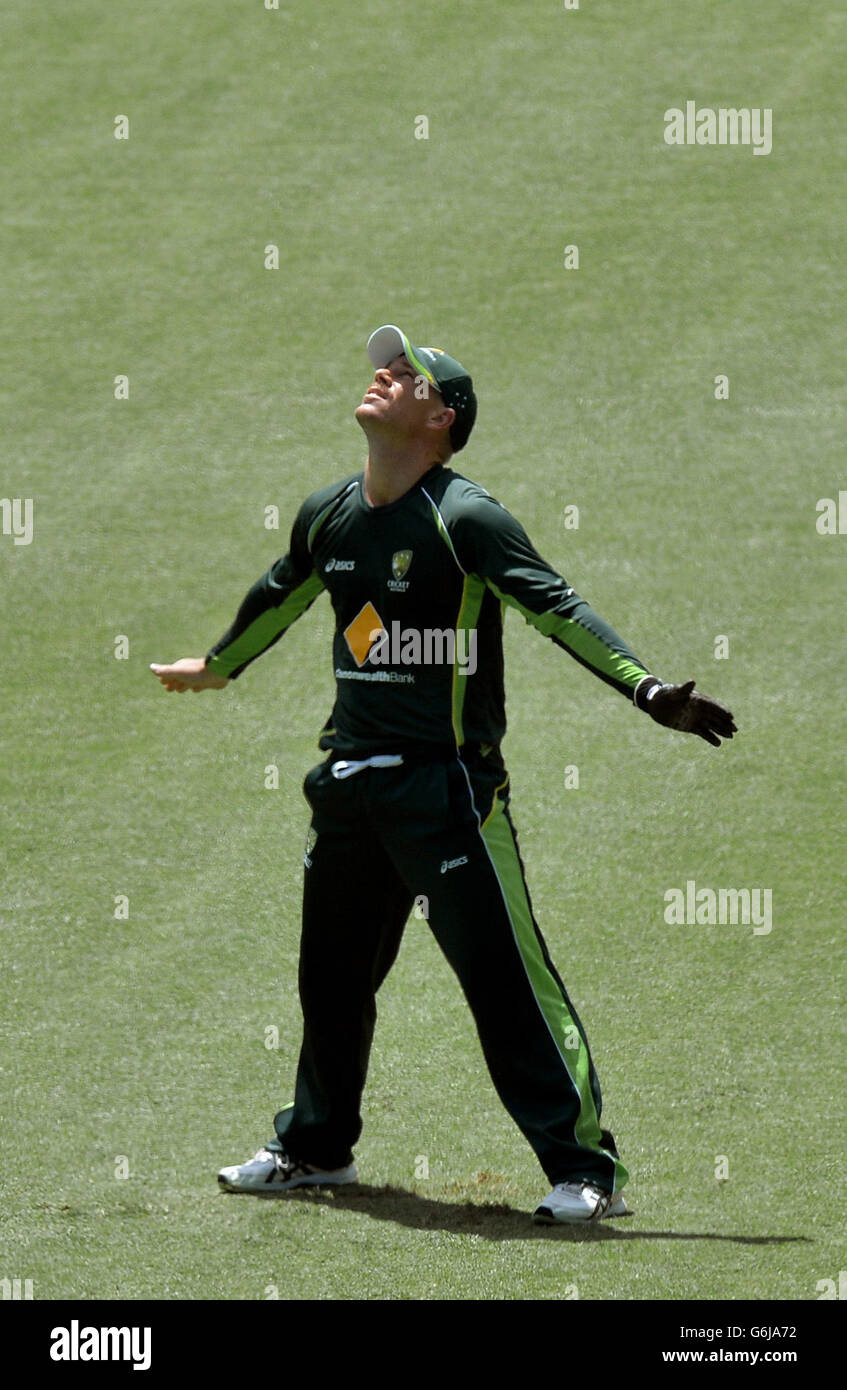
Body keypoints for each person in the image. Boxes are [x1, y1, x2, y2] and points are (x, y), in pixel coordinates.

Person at [151, 325, 736, 1224]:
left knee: (503, 979)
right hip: (349, 784)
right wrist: (219, 664)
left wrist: (646, 689)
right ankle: (315, 1148)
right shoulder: (331, 512)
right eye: (383, 365)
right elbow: (284, 588)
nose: (384, 372)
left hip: (449, 792)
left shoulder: (465, 519)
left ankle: (586, 1171)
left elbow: (556, 607)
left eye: (409, 373)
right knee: (331, 981)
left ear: (441, 416)